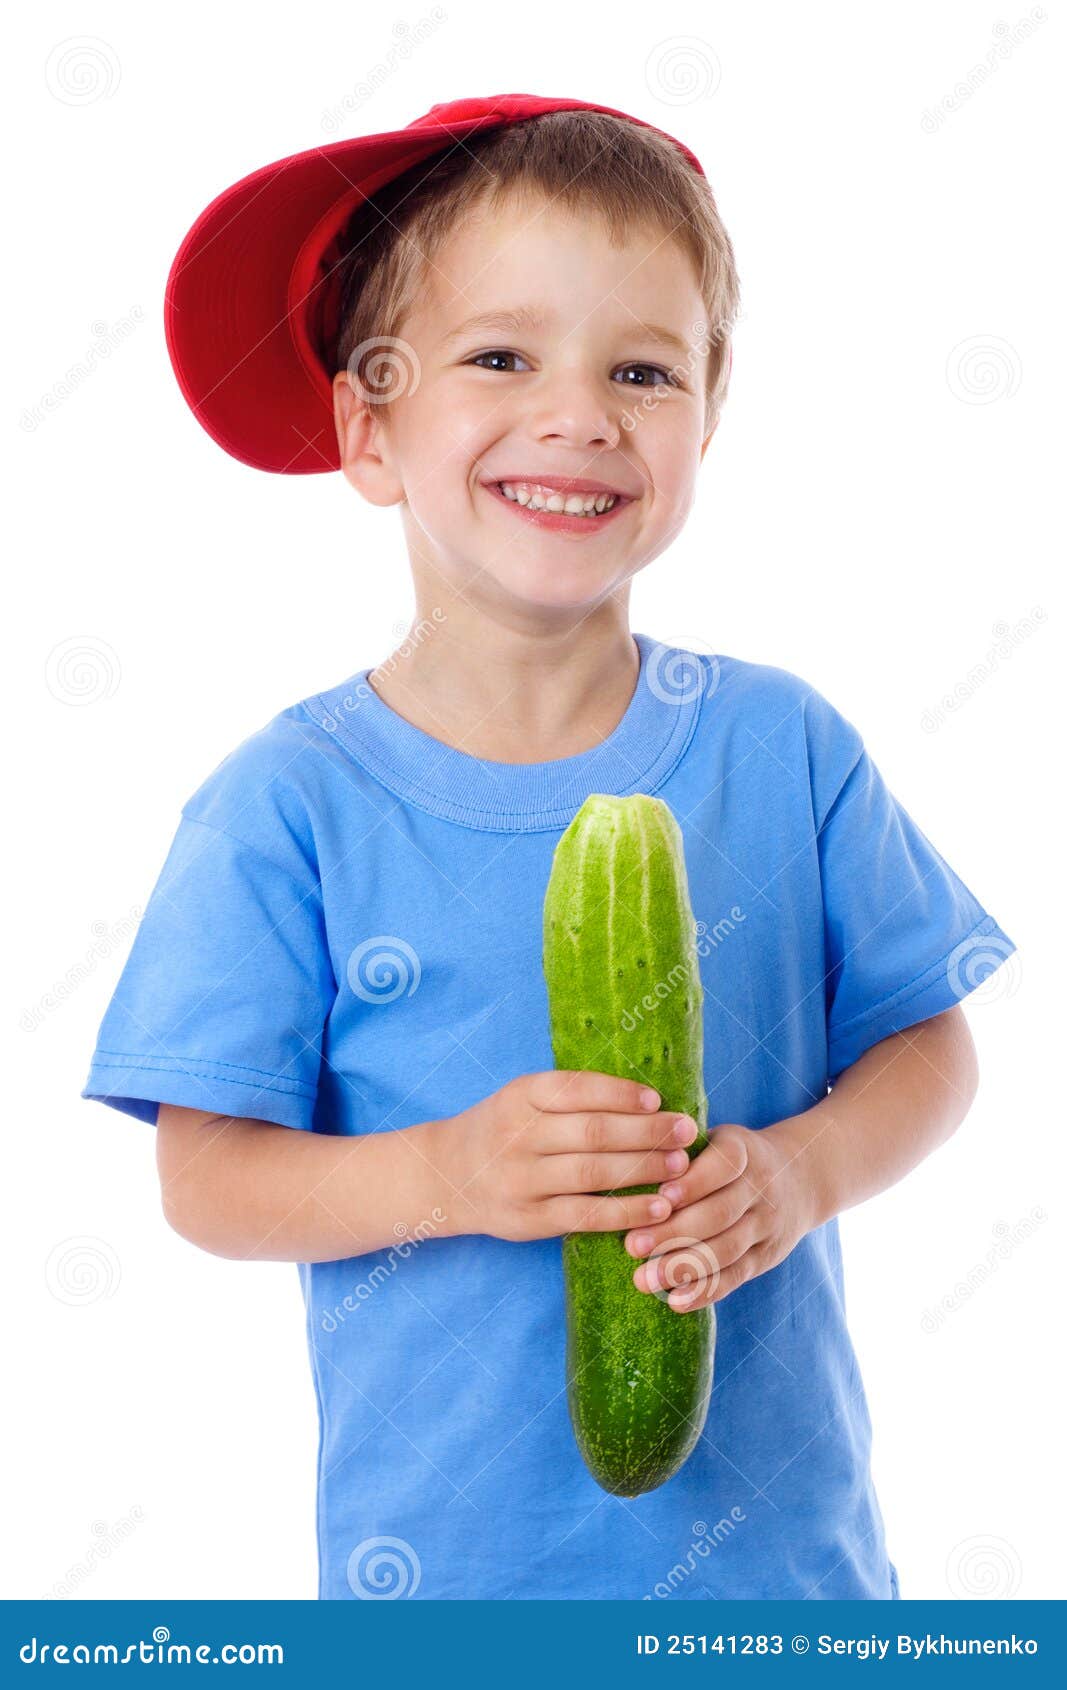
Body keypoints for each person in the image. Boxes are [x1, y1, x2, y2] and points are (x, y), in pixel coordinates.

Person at [82, 93, 1015, 1601]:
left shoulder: (783, 747)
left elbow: (933, 1049)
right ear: (368, 428)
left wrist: (804, 1169)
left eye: (642, 368)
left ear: (708, 418)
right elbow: (210, 1180)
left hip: (781, 1590)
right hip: (449, 1596)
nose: (578, 411)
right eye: (501, 355)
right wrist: (446, 1169)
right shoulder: (286, 802)